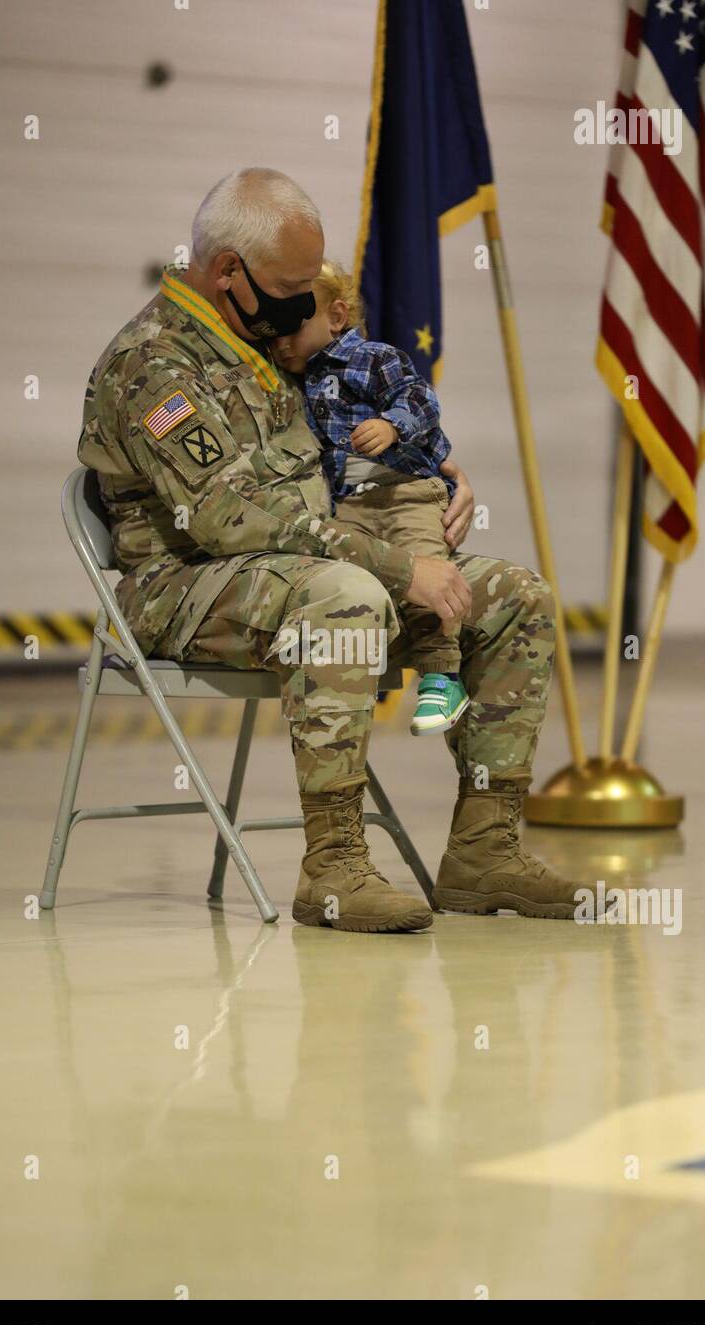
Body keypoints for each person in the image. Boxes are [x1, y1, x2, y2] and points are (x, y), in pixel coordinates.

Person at [78, 167, 593, 932]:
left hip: (317, 558)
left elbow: (342, 456)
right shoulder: (157, 364)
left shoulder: (267, 342)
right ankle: (334, 865)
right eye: (290, 284)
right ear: (228, 273)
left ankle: (485, 851)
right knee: (342, 596)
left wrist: (430, 474)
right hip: (181, 584)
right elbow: (234, 519)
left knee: (515, 595)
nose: (305, 302)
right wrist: (398, 568)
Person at [273, 258, 468, 737]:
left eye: (292, 327)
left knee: (427, 566)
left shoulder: (375, 359)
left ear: (336, 317)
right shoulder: (296, 378)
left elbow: (423, 401)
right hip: (351, 503)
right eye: (273, 331)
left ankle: (443, 676)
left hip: (406, 492)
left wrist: (391, 424)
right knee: (349, 575)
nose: (280, 342)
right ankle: (362, 672)